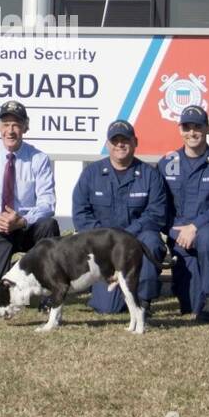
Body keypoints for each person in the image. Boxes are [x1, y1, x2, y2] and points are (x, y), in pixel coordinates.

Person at [0, 100, 60, 309]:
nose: (10, 130)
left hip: (26, 227)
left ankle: (50, 297)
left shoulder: (39, 158)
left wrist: (24, 220)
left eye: (16, 125)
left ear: (25, 127)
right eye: (6, 124)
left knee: (48, 225)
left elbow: (47, 202)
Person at [73, 120, 168, 315]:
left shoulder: (150, 175)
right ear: (108, 144)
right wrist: (107, 240)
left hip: (137, 243)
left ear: (135, 142)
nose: (120, 145)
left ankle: (143, 300)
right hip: (103, 249)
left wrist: (125, 238)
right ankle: (118, 295)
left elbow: (156, 214)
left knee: (152, 240)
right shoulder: (91, 174)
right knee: (107, 308)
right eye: (115, 141)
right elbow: (81, 214)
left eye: (125, 140)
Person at [158, 105, 209, 324]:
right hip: (181, 237)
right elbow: (161, 207)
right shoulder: (167, 164)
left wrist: (195, 226)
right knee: (191, 306)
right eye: (187, 127)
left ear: (208, 129)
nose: (192, 132)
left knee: (207, 238)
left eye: (198, 127)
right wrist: (176, 233)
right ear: (180, 130)